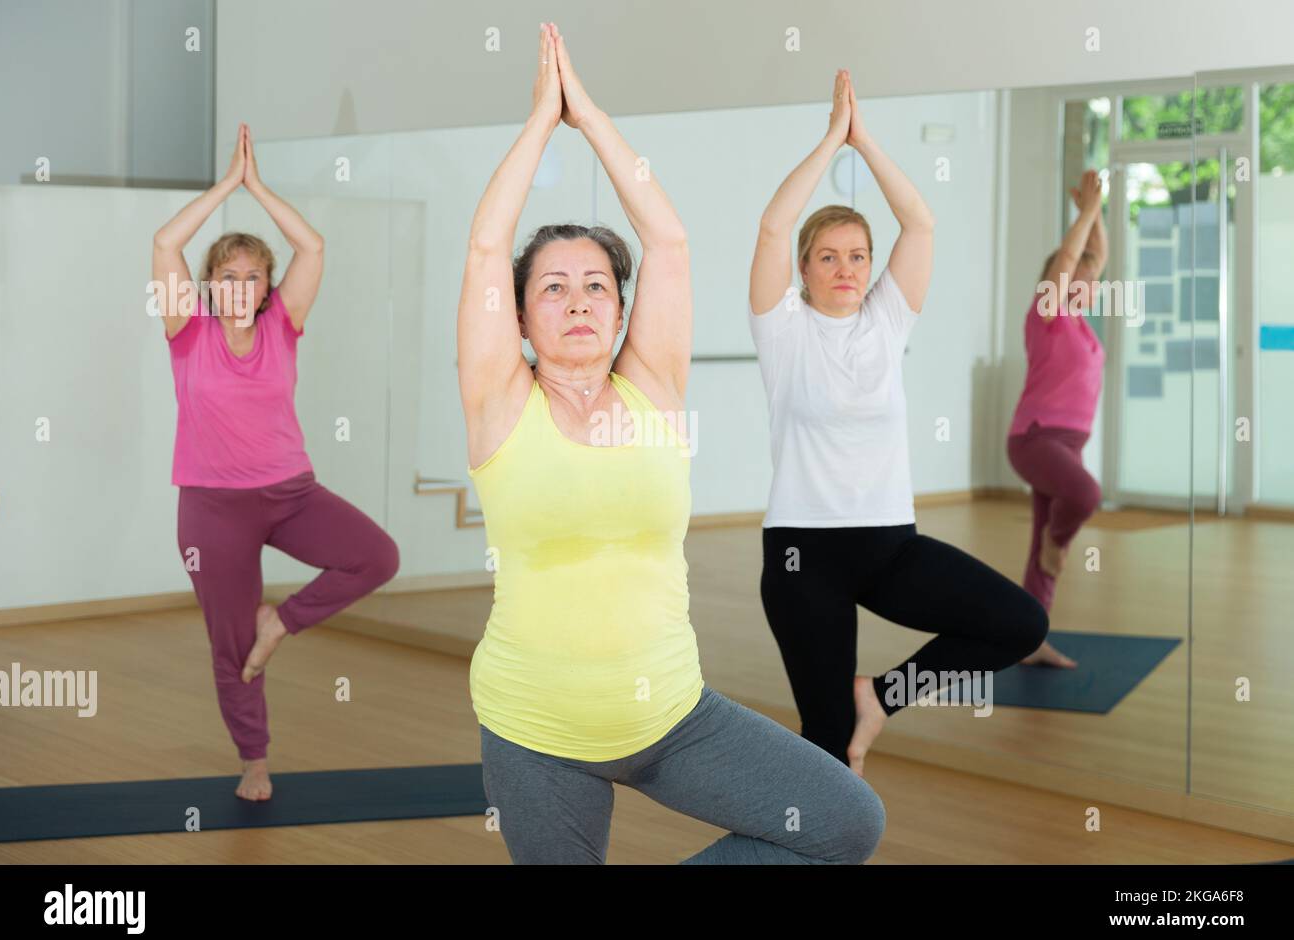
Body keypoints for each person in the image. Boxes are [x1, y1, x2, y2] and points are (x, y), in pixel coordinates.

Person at [458, 23, 885, 864]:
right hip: (535, 727)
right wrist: (543, 120)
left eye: (595, 286)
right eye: (552, 287)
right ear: (519, 319)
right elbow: (483, 248)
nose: (578, 300)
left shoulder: (650, 386)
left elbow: (670, 243)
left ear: (621, 311)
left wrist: (596, 120)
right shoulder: (499, 404)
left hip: (675, 717)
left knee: (846, 821)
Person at [750, 70, 1049, 777]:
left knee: (1019, 623)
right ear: (805, 269)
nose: (846, 269)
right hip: (802, 555)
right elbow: (771, 224)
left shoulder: (887, 319)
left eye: (858, 256)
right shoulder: (782, 328)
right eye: (829, 257)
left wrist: (866, 141)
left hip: (890, 545)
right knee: (827, 742)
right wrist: (831, 141)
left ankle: (881, 697)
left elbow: (920, 222)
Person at [152, 122, 399, 801]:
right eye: (226, 275)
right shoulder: (185, 330)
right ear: (209, 285)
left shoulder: (282, 325)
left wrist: (258, 187)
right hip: (210, 508)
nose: (239, 285)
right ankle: (253, 761)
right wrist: (225, 186)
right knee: (229, 647)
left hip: (291, 494)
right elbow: (165, 242)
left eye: (251, 275)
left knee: (376, 555)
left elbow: (312, 246)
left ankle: (279, 623)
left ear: (266, 287)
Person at [1006, 169, 1108, 668]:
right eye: (1081, 280)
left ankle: (1030, 639)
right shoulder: (1046, 315)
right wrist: (1084, 213)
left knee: (1040, 555)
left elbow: (1096, 257)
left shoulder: (1082, 323)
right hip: (1035, 439)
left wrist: (1096, 209)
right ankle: (1056, 541)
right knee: (1085, 496)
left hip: (1066, 444)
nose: (1090, 284)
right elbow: (1071, 260)